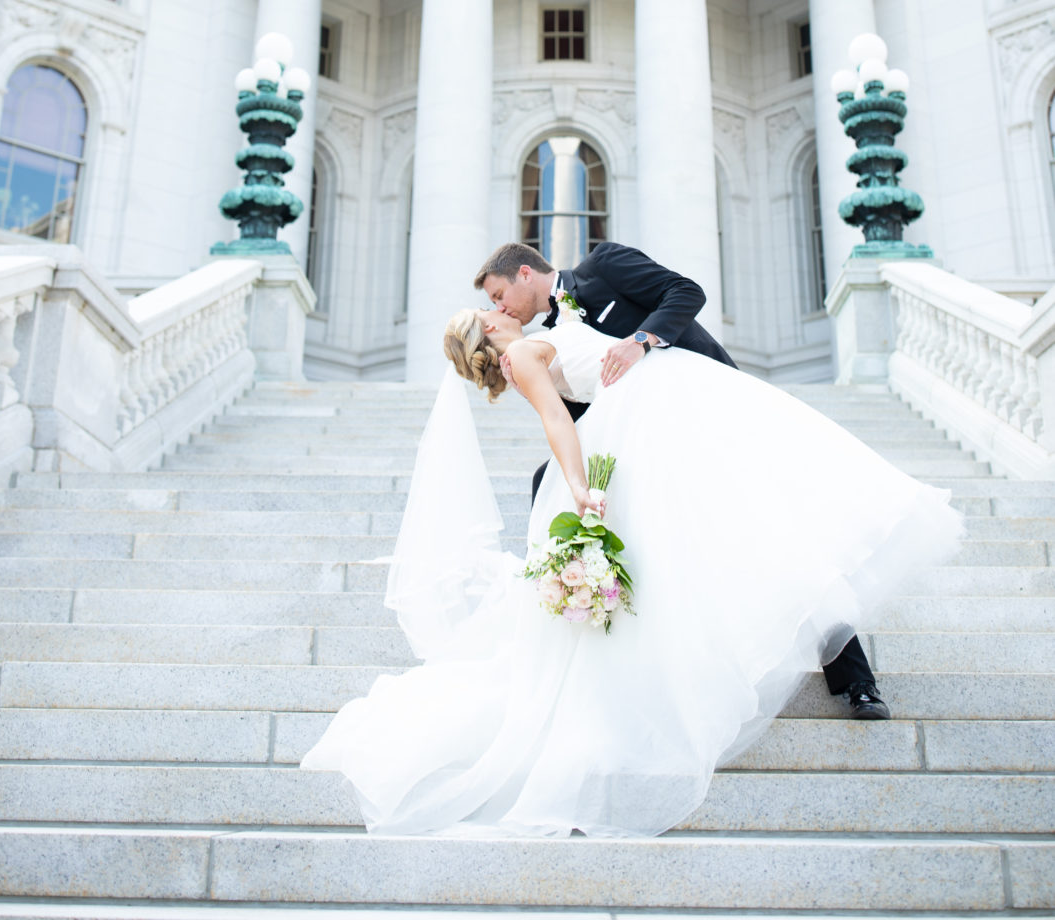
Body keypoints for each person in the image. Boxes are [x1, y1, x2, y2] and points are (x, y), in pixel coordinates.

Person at [299, 304, 963, 838]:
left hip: (658, 403)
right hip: (650, 415)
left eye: (498, 299)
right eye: (493, 309)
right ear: (491, 332)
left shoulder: (539, 336)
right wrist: (580, 485)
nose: (501, 308)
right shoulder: (524, 352)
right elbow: (559, 423)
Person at [476, 240, 890, 719]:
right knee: (551, 486)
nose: (498, 307)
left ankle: (856, 681)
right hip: (650, 451)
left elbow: (684, 292)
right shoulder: (542, 341)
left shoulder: (603, 267)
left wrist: (641, 341)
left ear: (525, 273)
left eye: (499, 294)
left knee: (780, 538)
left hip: (706, 417)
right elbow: (576, 419)